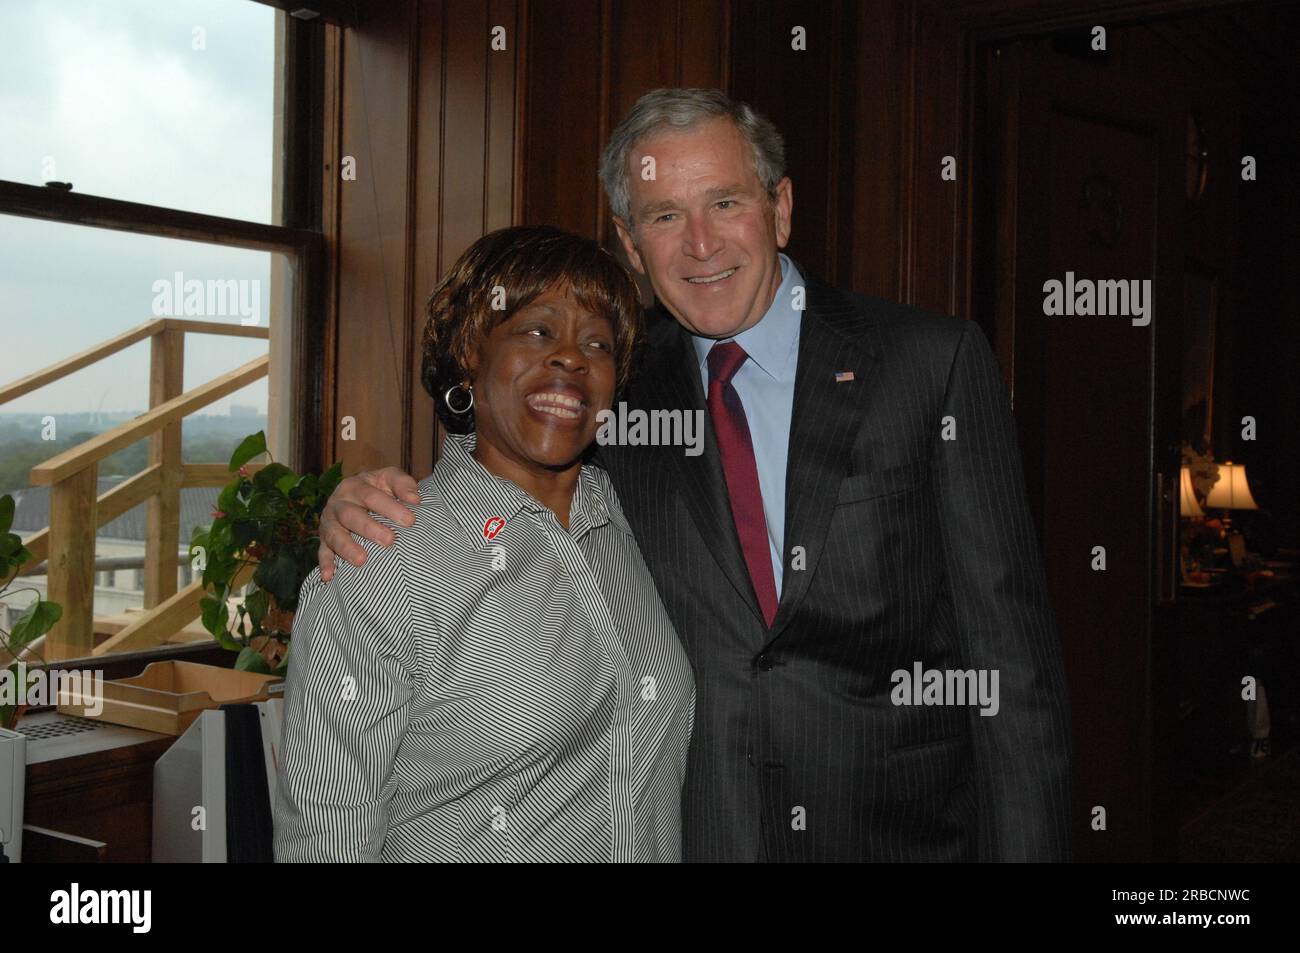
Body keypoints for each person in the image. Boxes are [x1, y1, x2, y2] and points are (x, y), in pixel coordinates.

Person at [318, 88, 1073, 862]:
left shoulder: (928, 364)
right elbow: (503, 474)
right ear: (630, 243)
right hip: (704, 834)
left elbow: (1011, 670)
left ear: (779, 208)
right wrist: (359, 501)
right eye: (665, 215)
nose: (701, 244)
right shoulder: (613, 389)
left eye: (724, 201)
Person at [274, 225, 695, 862]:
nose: (570, 358)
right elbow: (325, 841)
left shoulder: (644, 521)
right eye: (537, 330)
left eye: (598, 344)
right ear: (472, 348)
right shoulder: (381, 563)